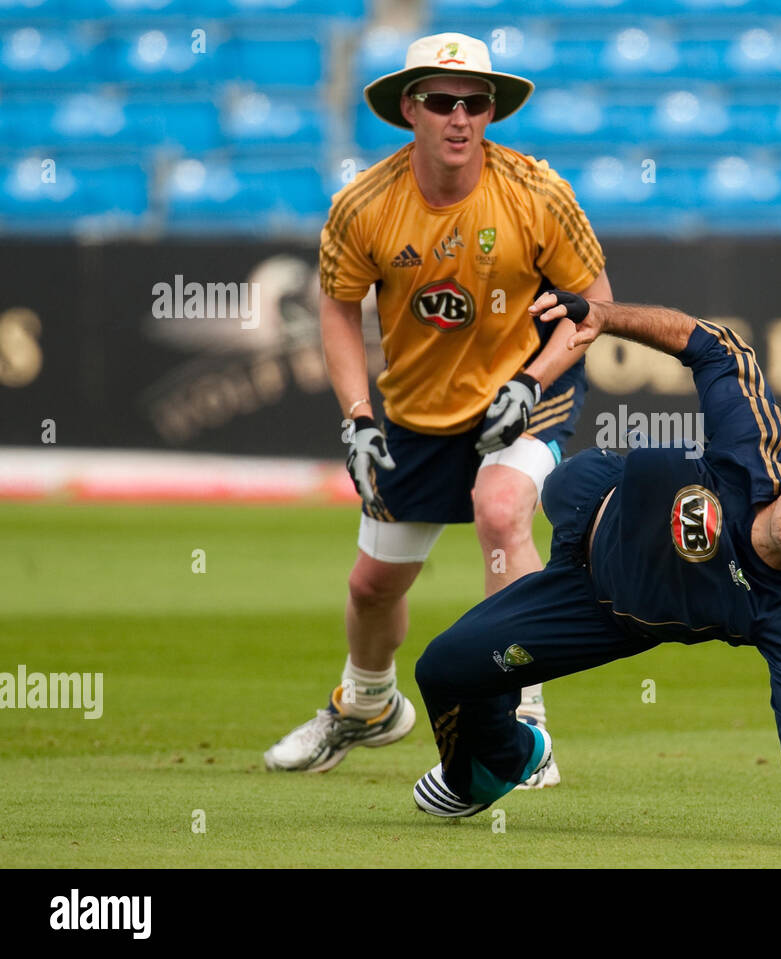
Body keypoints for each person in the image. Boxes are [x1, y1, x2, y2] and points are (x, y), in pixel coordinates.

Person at [410, 290, 781, 852]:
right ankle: (502, 730)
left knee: (444, 667)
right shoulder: (753, 448)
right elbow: (720, 347)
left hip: (601, 607)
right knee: (555, 487)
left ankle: (511, 757)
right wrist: (605, 316)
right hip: (593, 492)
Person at [264, 33, 612, 785]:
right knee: (371, 586)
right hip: (418, 409)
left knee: (501, 510)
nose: (460, 117)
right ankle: (366, 705)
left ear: (491, 112)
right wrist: (357, 413)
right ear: (410, 109)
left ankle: (521, 721)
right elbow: (336, 308)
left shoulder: (538, 192)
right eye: (442, 101)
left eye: (475, 102)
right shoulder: (364, 205)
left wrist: (535, 377)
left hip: (528, 385)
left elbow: (598, 306)